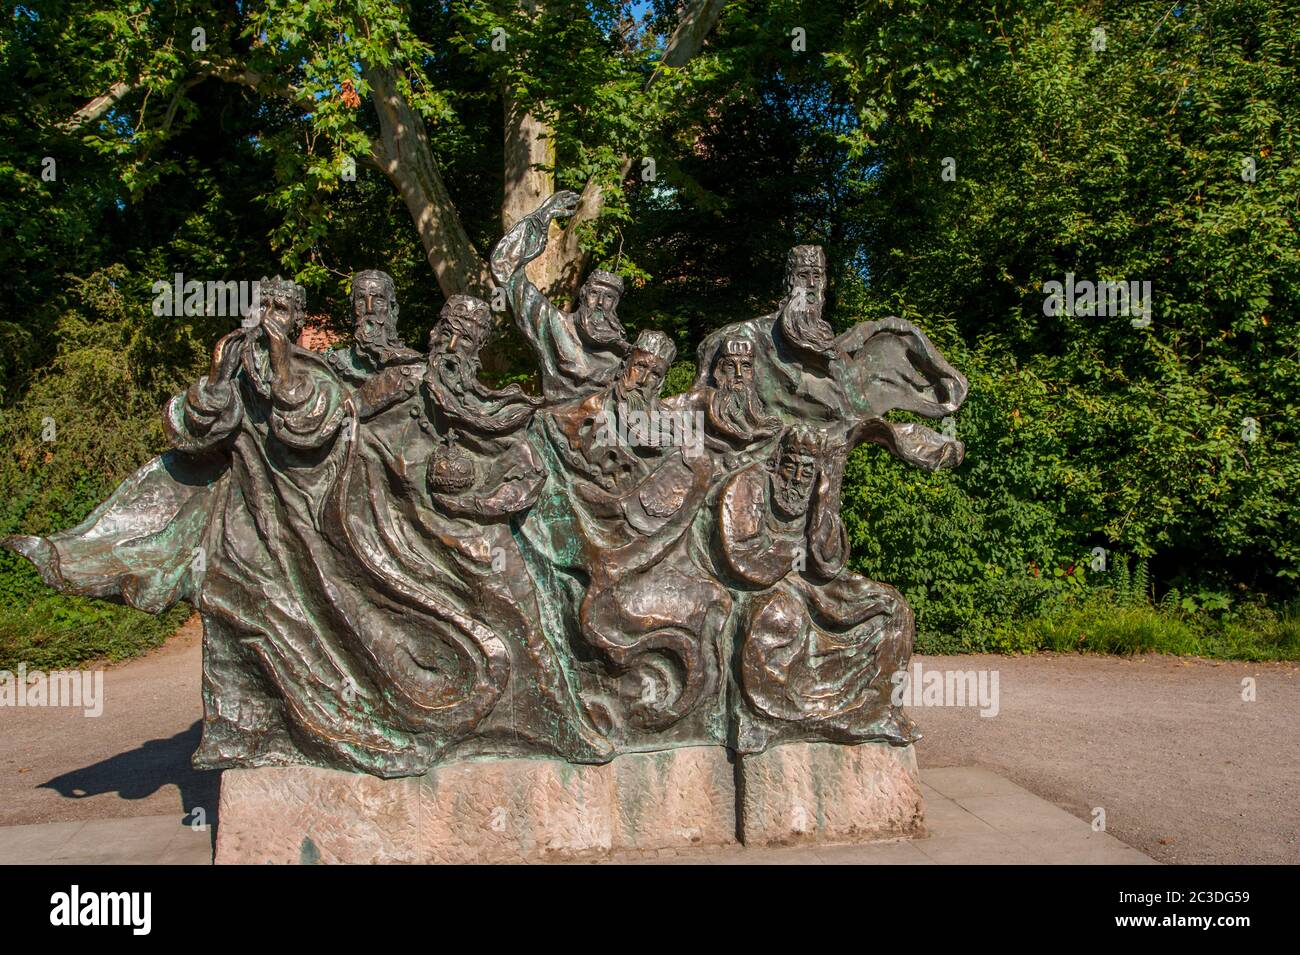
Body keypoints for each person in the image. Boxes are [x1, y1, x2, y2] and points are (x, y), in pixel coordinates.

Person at [490, 191, 630, 402]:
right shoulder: (553, 324)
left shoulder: (629, 354)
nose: (600, 303)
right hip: (558, 424)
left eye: (608, 297)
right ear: (583, 295)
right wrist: (541, 218)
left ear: (616, 303)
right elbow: (505, 270)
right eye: (594, 293)